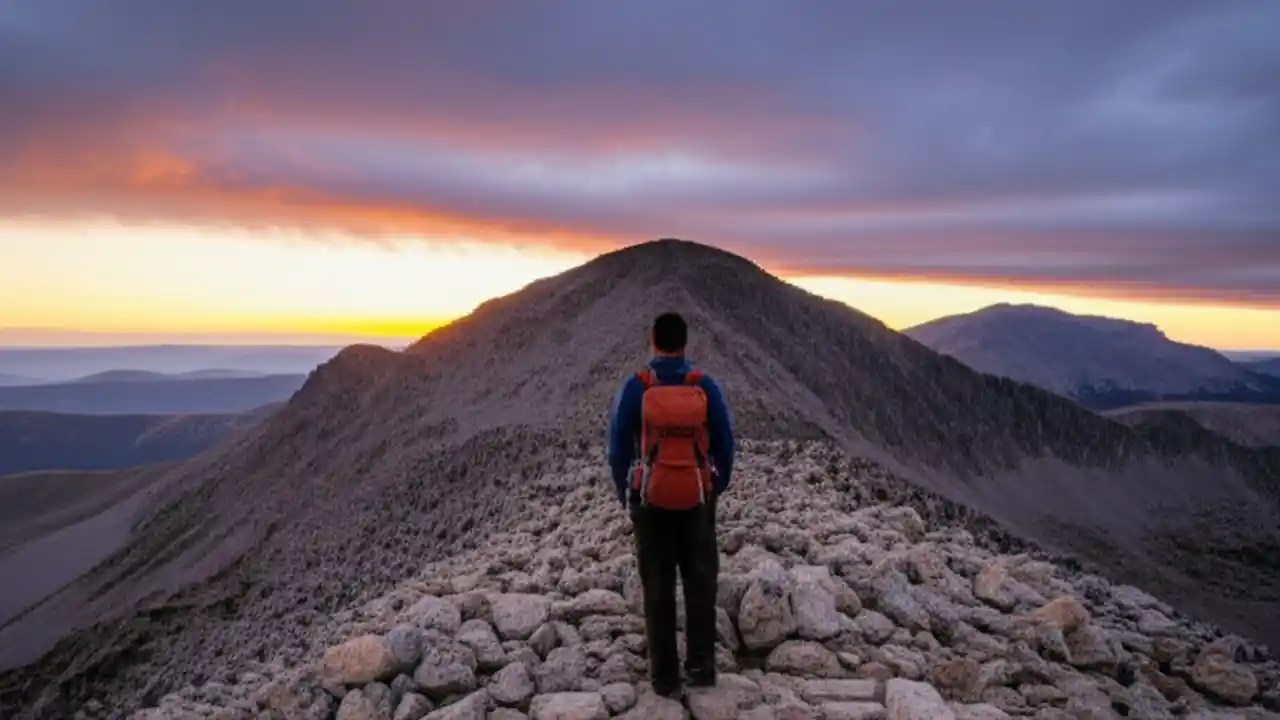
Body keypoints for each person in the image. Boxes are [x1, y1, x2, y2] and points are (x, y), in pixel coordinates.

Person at [607, 312, 734, 697]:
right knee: (700, 583)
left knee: (658, 585)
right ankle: (701, 667)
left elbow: (617, 448)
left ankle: (664, 678)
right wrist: (714, 487)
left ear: (652, 340)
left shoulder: (638, 387)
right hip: (696, 498)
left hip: (651, 501)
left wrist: (626, 492)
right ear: (685, 343)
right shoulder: (703, 385)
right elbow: (726, 443)